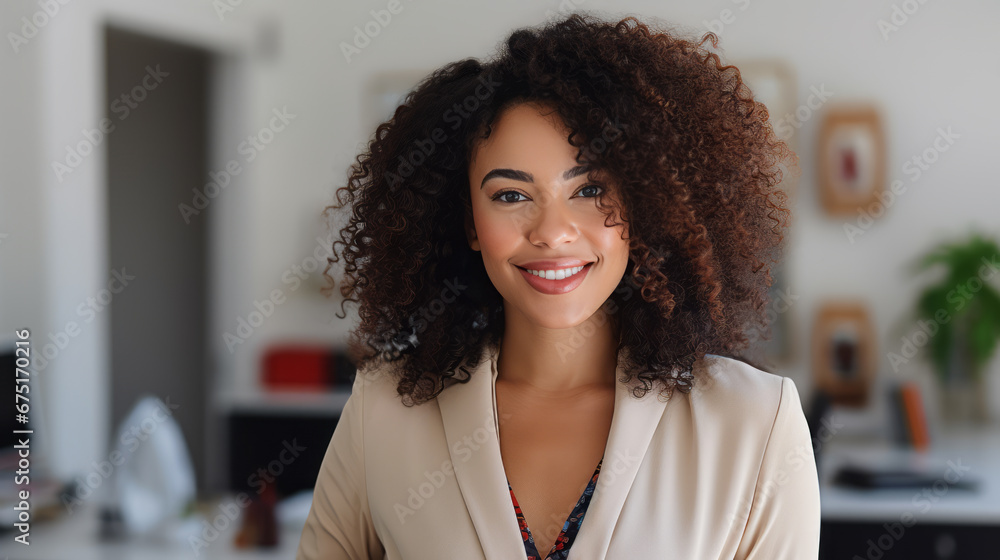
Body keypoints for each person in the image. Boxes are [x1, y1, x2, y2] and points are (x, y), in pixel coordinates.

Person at [296, 11, 819, 560]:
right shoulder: (383, 410)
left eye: (591, 189)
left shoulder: (757, 424)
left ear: (648, 205)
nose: (551, 233)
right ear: (470, 222)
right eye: (510, 195)